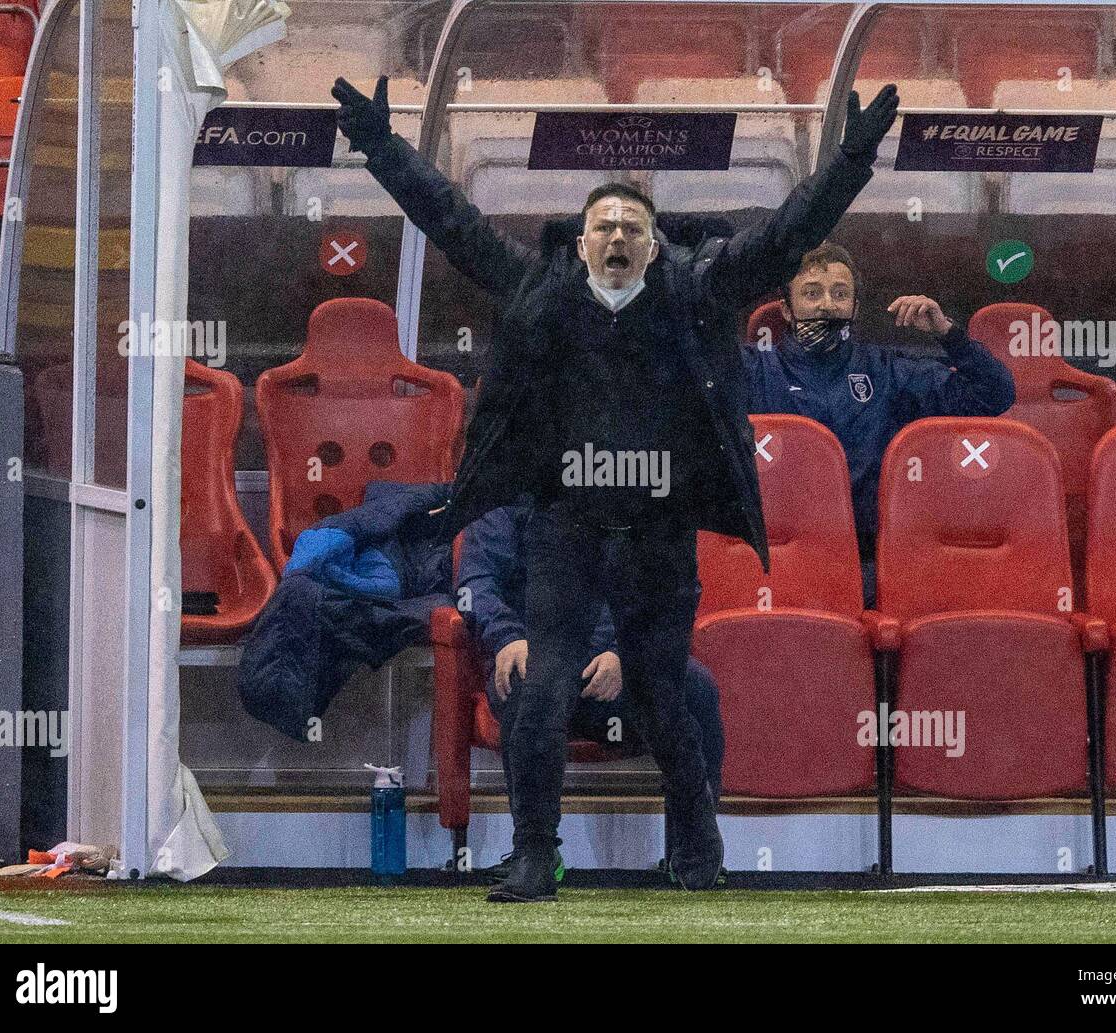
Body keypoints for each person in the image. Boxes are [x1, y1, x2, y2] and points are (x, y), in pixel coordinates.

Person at [334, 75, 897, 901]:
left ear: (655, 242)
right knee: (546, 685)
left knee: (665, 690)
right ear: (583, 243)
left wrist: (850, 160)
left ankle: (698, 850)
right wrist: (382, 147)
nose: (619, 238)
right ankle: (534, 854)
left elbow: (786, 238)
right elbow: (452, 223)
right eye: (606, 227)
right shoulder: (542, 289)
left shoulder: (696, 291)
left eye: (634, 227)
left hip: (660, 530)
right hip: (568, 523)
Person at [459, 502, 726, 886]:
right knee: (525, 689)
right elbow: (476, 583)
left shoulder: (636, 492)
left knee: (696, 687)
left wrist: (626, 652)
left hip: (621, 668)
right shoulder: (510, 496)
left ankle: (691, 847)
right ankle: (534, 851)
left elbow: (665, 592)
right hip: (536, 655)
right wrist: (507, 637)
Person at [742, 243, 1015, 604]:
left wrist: (948, 334)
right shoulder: (753, 370)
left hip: (866, 559)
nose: (826, 304)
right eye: (811, 293)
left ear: (854, 308)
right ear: (786, 310)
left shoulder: (886, 371)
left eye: (840, 294)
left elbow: (993, 394)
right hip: (772, 557)